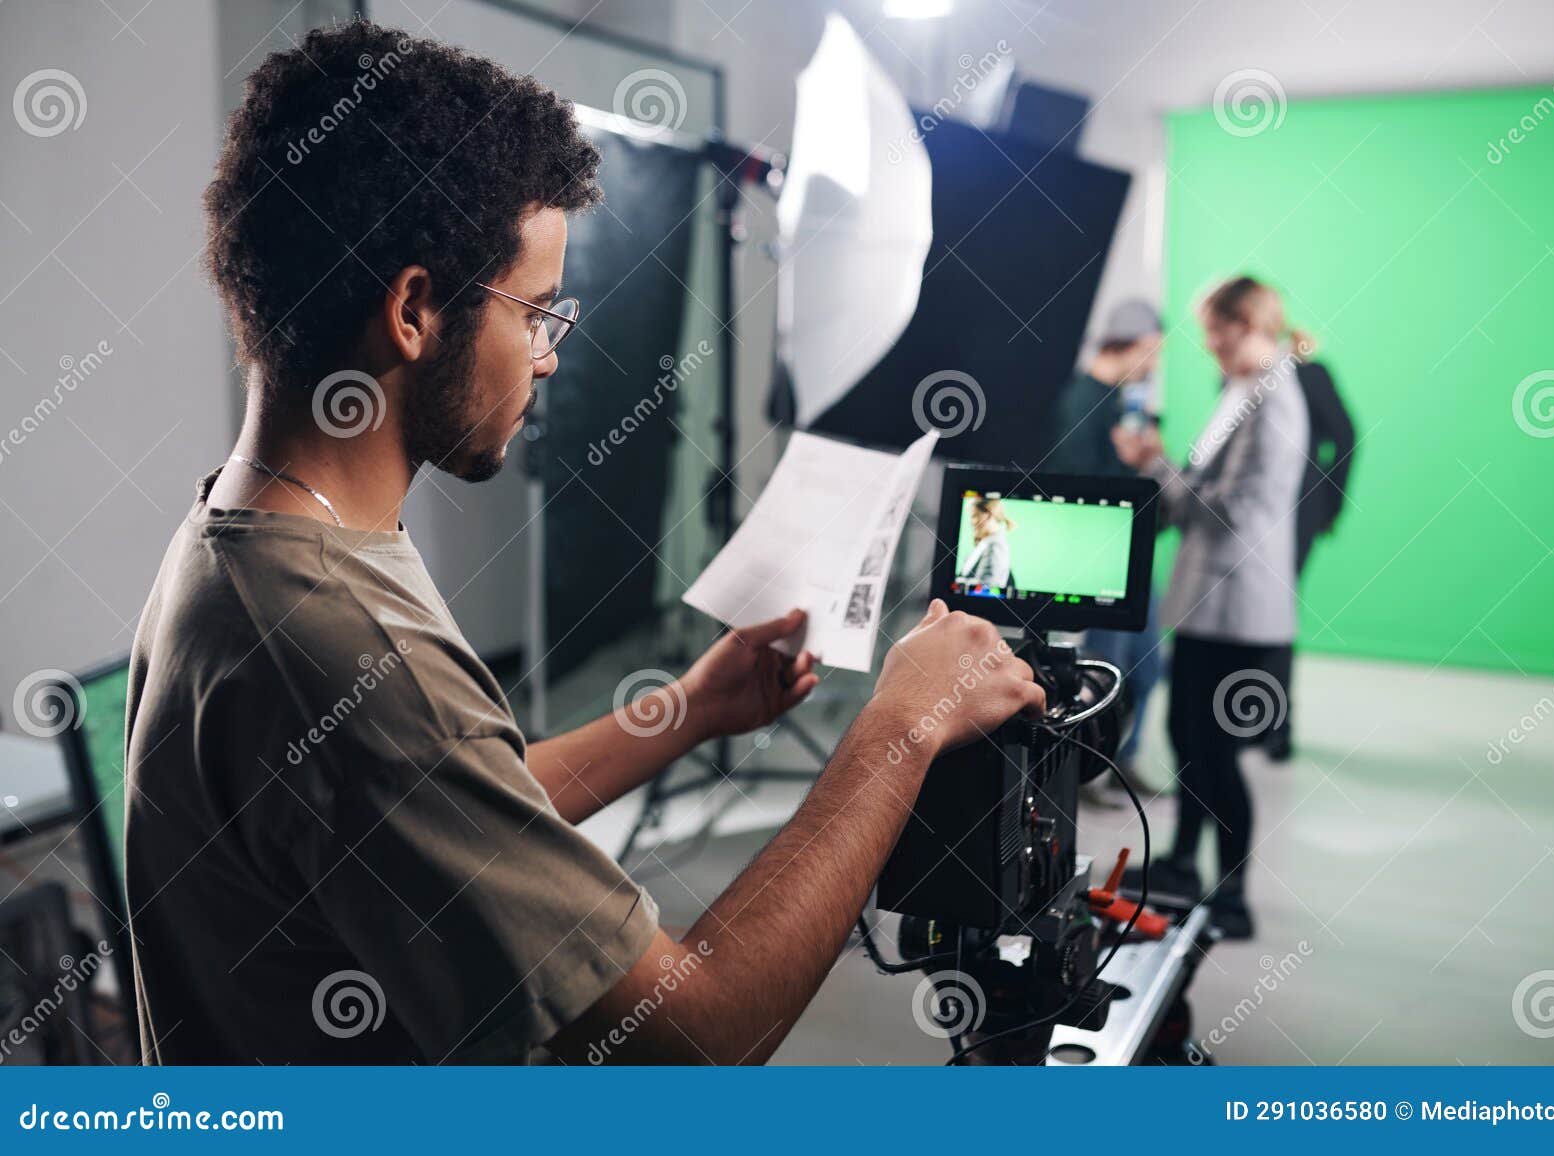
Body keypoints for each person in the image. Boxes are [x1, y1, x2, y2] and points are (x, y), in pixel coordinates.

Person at [122, 22, 1044, 1065]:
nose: (550, 356)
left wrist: (687, 710)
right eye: (536, 314)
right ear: (415, 309)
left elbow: (452, 804)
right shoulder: (341, 642)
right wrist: (903, 727)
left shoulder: (237, 537)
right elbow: (695, 1038)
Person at [1110, 276, 1309, 939]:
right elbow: (1204, 488)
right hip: (1208, 605)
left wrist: (1157, 465)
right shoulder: (1241, 389)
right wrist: (1162, 470)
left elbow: (1233, 512)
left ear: (1248, 324)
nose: (1209, 343)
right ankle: (1181, 866)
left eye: (1217, 330)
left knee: (1217, 755)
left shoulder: (1275, 400)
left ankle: (1233, 900)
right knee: (1188, 741)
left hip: (1238, 613)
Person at [1043, 300, 1165, 802]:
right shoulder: (1081, 401)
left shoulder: (1118, 401)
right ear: (1129, 344)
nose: (1154, 364)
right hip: (1103, 560)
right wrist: (1134, 466)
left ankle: (1120, 762)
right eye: (1152, 351)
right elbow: (1081, 491)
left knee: (1146, 665)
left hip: (1131, 552)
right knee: (1104, 669)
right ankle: (1086, 772)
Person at [1254, 344, 1356, 761]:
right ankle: (1251, 720)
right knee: (1249, 616)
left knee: (1274, 614)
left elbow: (1345, 437)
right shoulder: (1239, 377)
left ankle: (1275, 727)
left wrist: (1328, 506)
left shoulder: (1309, 374)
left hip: (1296, 514)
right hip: (1250, 516)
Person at [957, 498, 1014, 590]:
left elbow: (985, 587)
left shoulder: (995, 547)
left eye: (974, 516)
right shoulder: (986, 543)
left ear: (988, 515)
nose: (971, 522)